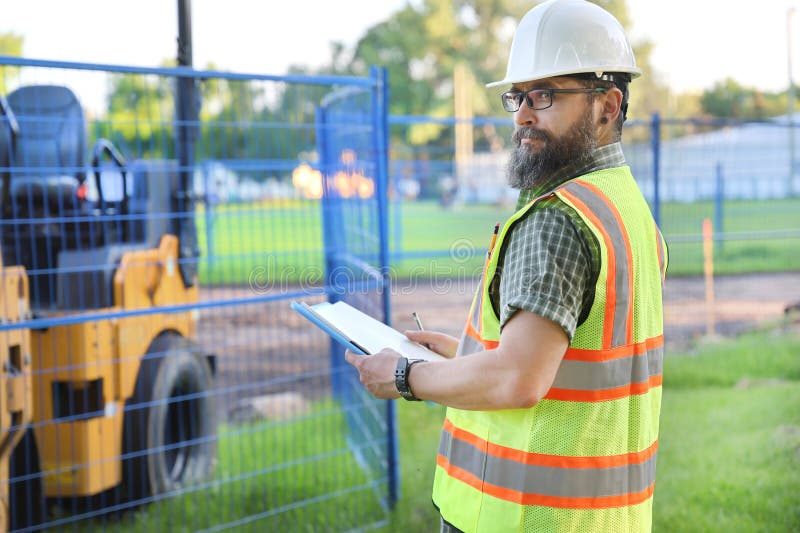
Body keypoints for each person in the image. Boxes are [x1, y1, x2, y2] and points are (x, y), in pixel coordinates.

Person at [345, 0, 668, 531]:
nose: (522, 115)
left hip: (526, 518)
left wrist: (405, 376)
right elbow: (574, 360)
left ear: (607, 106)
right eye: (518, 96)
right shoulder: (625, 205)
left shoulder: (558, 219)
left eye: (546, 95)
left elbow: (519, 378)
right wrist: (464, 355)